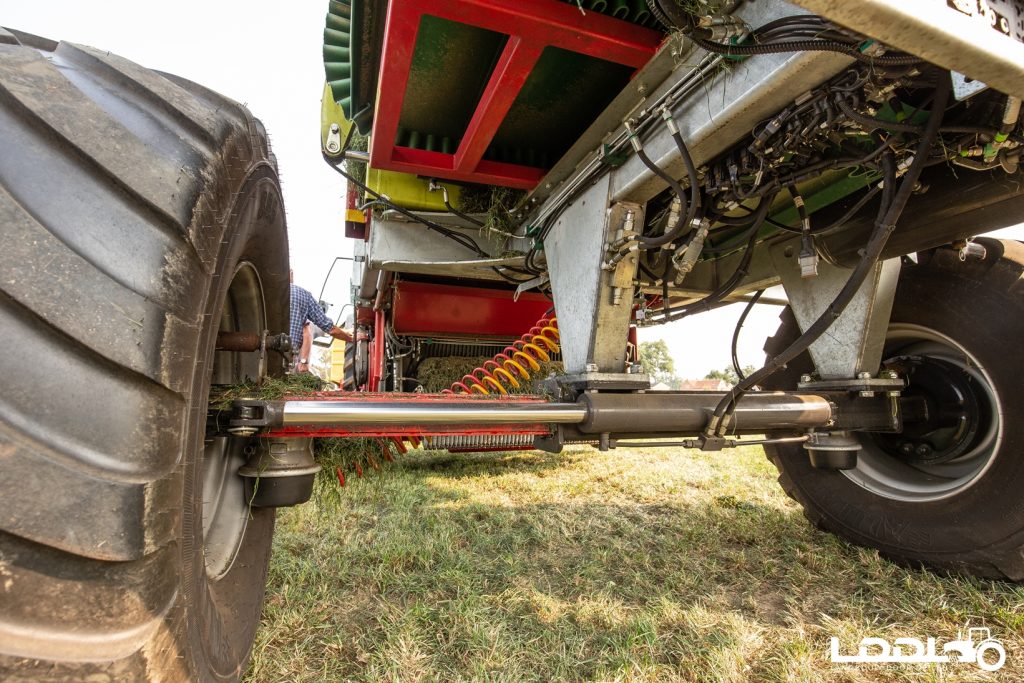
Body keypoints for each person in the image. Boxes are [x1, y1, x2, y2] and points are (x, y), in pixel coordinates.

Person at [289, 270, 353, 372]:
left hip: (263, 349)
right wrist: (351, 338)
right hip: (288, 355)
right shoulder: (303, 295)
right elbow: (328, 329)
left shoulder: (266, 292)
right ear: (291, 275)